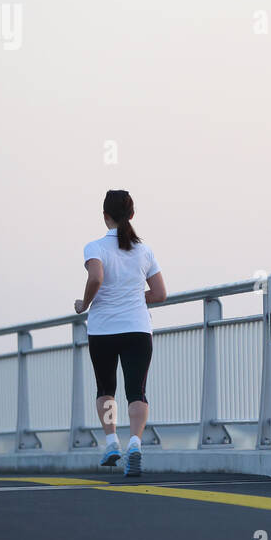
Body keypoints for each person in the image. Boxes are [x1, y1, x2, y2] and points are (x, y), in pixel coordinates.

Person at [74, 189, 166, 476]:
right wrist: (135, 298)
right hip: (138, 328)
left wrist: (84, 303)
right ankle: (135, 444)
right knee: (136, 391)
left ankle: (113, 442)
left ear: (105, 216)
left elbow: (97, 277)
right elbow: (161, 293)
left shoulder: (95, 247)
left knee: (106, 389)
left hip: (103, 330)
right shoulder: (144, 250)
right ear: (132, 215)